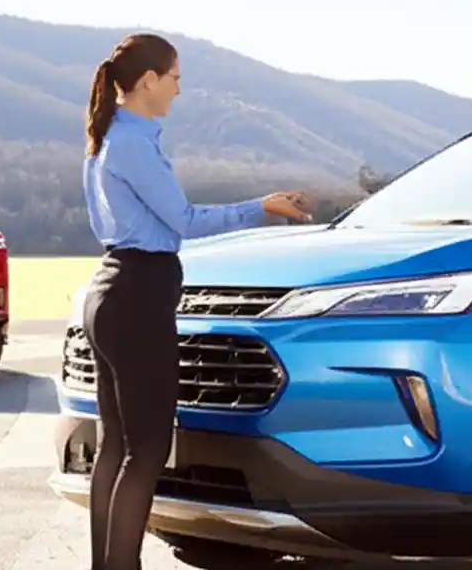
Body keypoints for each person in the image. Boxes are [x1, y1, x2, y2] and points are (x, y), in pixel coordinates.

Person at [80, 33, 311, 570]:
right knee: (147, 448)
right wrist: (263, 206)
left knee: (115, 446)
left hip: (112, 291)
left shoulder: (109, 135)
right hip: (137, 298)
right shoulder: (133, 143)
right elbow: (184, 221)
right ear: (148, 82)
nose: (180, 90)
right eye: (176, 78)